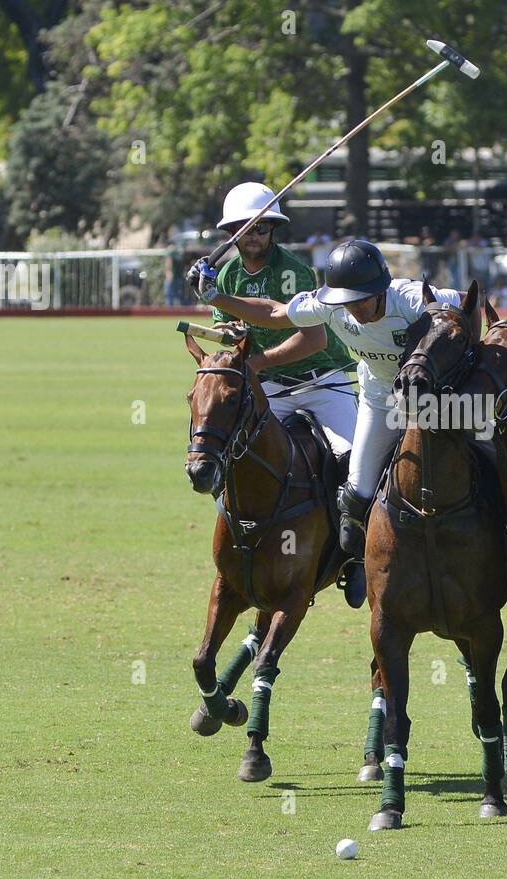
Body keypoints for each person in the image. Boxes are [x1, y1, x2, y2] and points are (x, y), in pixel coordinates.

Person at [194, 237, 464, 582]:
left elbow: (471, 301)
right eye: (346, 302)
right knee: (356, 498)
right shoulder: (330, 304)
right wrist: (216, 297)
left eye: (362, 300)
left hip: (437, 398)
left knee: (481, 461)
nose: (354, 310)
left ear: (381, 289)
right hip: (381, 398)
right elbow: (275, 312)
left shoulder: (411, 298)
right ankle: (359, 567)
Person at [194, 181, 362, 604]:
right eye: (245, 230)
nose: (254, 238)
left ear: (273, 229)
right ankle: (243, 544)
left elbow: (314, 340)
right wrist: (226, 333)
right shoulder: (227, 274)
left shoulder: (294, 271)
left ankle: (354, 554)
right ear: (232, 233)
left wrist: (259, 361)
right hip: (268, 386)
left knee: (355, 459)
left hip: (322, 380)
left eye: (261, 229)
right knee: (232, 453)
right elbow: (231, 336)